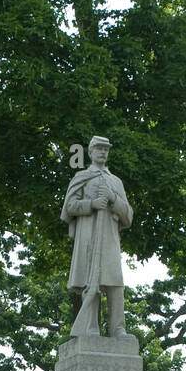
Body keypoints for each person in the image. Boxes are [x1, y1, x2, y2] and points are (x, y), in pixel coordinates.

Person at [60, 135, 132, 336]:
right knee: (89, 282)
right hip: (87, 236)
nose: (103, 152)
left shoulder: (115, 182)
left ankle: (118, 328)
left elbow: (128, 214)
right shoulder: (81, 177)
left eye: (106, 149)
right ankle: (90, 327)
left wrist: (113, 198)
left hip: (109, 237)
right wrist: (90, 204)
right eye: (99, 148)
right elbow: (69, 207)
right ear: (90, 152)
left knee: (115, 282)